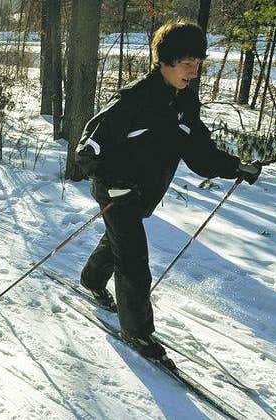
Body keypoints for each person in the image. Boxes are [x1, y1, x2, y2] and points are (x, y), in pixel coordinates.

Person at [73, 19, 261, 363]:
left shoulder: (185, 101)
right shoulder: (134, 99)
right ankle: (137, 332)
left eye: (199, 64)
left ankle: (91, 278)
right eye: (187, 64)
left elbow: (199, 151)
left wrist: (235, 166)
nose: (194, 71)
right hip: (117, 191)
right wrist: (113, 182)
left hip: (145, 192)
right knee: (133, 261)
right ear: (166, 61)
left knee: (119, 239)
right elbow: (89, 146)